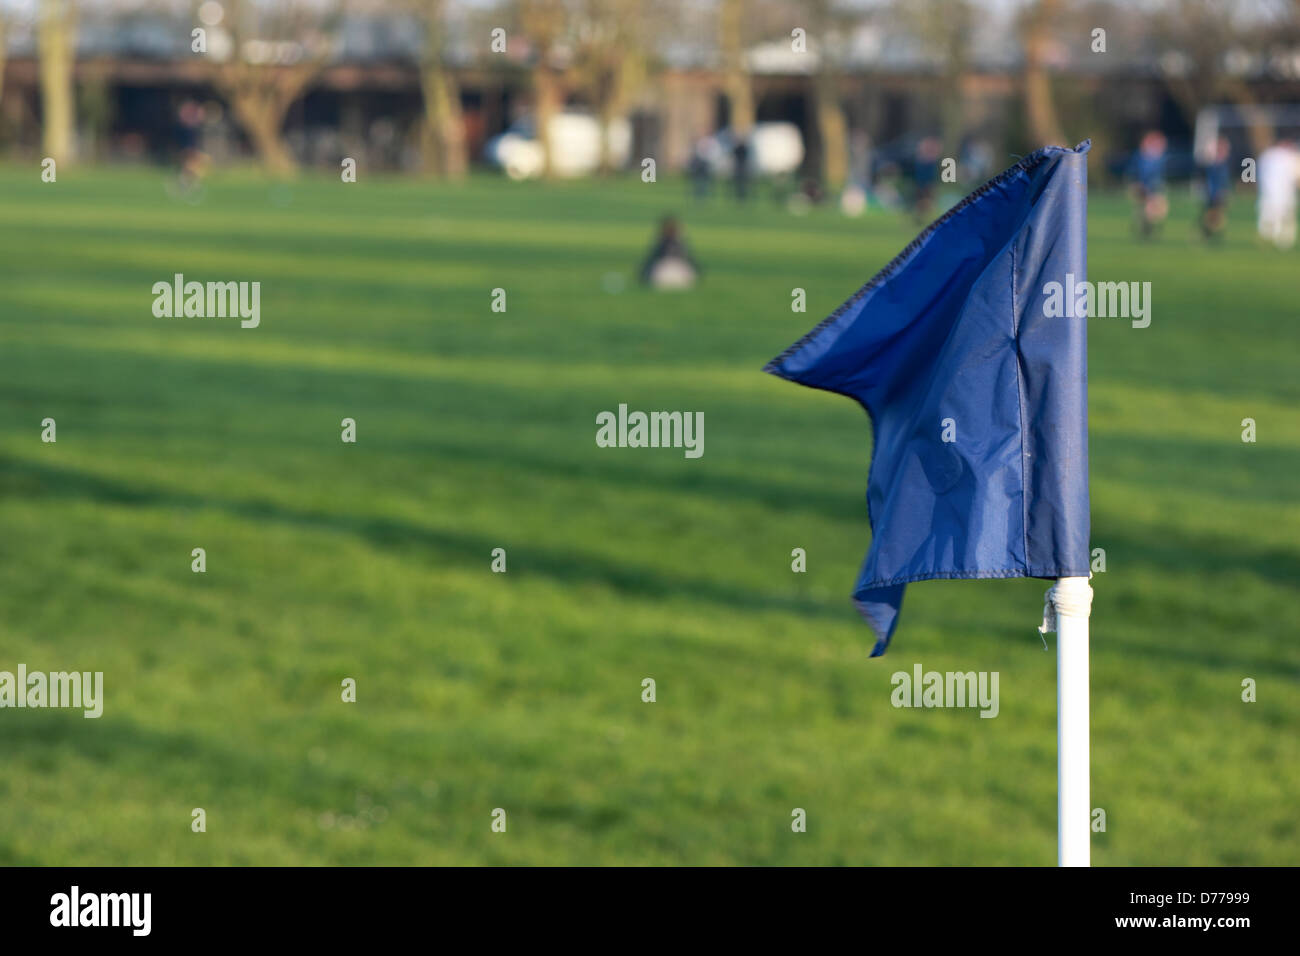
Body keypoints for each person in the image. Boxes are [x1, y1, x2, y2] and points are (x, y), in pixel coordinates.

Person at [1257, 137, 1299, 250]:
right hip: (1285, 192)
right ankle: (1283, 240)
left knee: (1269, 214)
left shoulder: (1267, 155)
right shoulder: (1291, 156)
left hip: (1269, 191)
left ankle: (1268, 237)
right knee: (1285, 215)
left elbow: (1259, 173)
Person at [1127, 130, 1169, 239]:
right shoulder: (1141, 156)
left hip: (1154, 187)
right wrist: (1137, 185)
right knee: (1148, 209)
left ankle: (1146, 227)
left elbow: (1159, 174)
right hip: (1143, 186)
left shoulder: (1158, 157)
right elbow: (1135, 172)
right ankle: (1145, 228)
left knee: (1157, 210)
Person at [640, 216, 700, 290]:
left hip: (663, 273)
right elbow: (691, 260)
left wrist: (643, 274)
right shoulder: (679, 243)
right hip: (680, 274)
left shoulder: (662, 243)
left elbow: (651, 260)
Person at [1198, 135, 1232, 242]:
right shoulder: (1214, 164)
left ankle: (1210, 234)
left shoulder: (1223, 163)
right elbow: (1212, 180)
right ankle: (1206, 233)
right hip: (1214, 193)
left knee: (1217, 216)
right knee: (1213, 216)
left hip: (1219, 193)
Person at [911, 136, 943, 223]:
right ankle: (920, 216)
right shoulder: (922, 160)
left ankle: (924, 216)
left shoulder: (931, 161)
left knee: (927, 198)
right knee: (921, 199)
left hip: (927, 181)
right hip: (921, 181)